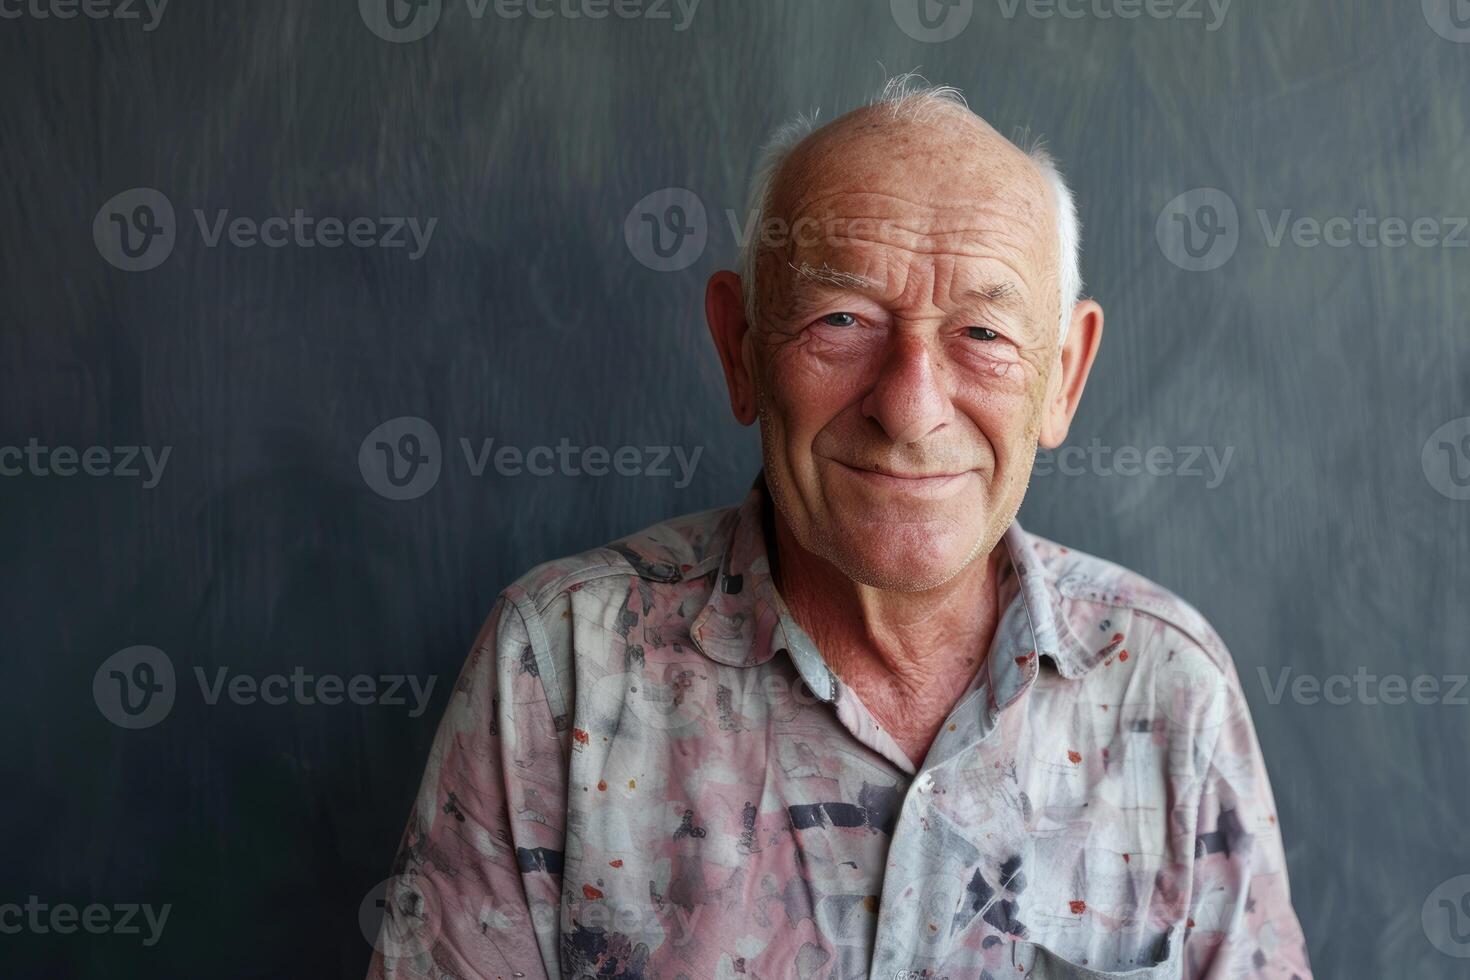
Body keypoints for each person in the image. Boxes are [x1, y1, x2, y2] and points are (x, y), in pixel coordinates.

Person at [366, 75, 1312, 979]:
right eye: (843, 318)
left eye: (983, 335)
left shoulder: (1166, 687)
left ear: (1063, 376)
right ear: (740, 349)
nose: (909, 407)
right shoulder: (560, 669)